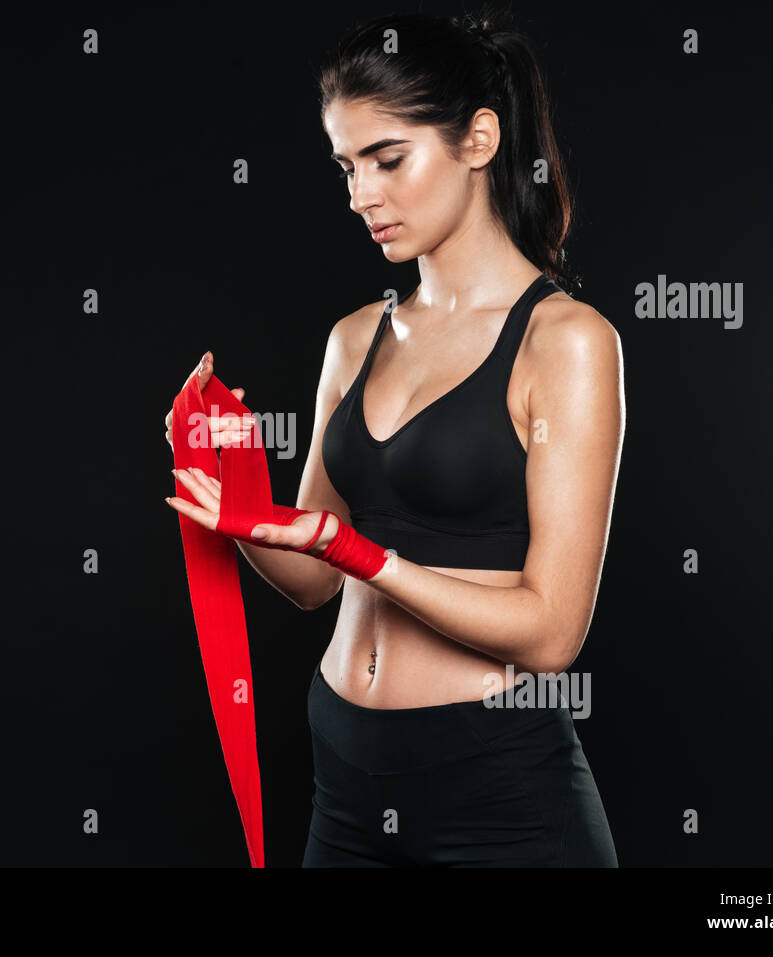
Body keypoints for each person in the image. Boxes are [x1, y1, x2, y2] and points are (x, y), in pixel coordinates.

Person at [163, 10, 624, 867]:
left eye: (387, 159)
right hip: (344, 779)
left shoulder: (565, 341)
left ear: (479, 140)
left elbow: (554, 632)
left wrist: (359, 552)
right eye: (345, 166)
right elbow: (307, 582)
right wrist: (228, 477)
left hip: (497, 792)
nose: (359, 195)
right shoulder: (356, 338)